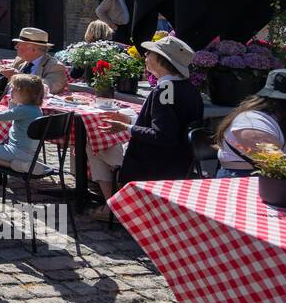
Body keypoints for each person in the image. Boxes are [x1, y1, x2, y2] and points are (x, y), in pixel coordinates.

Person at [85, 36, 204, 218]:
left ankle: (116, 209)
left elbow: (163, 135)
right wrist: (131, 120)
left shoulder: (165, 91)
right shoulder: (189, 88)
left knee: (95, 147)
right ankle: (117, 205)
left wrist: (126, 127)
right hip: (177, 163)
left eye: (151, 53)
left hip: (152, 165)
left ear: (162, 60)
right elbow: (171, 124)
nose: (146, 55)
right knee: (99, 146)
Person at [0, 74, 47, 173]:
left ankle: (21, 166)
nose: (11, 91)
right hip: (28, 151)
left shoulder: (24, 110)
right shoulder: (35, 109)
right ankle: (24, 164)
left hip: (18, 151)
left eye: (15, 89)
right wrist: (14, 101)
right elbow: (13, 112)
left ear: (27, 94)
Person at [0, 28, 69, 95]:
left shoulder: (55, 66)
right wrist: (1, 71)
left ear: (33, 49)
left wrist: (20, 76)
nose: (16, 47)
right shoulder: (20, 60)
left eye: (20, 45)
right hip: (8, 101)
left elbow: (47, 89)